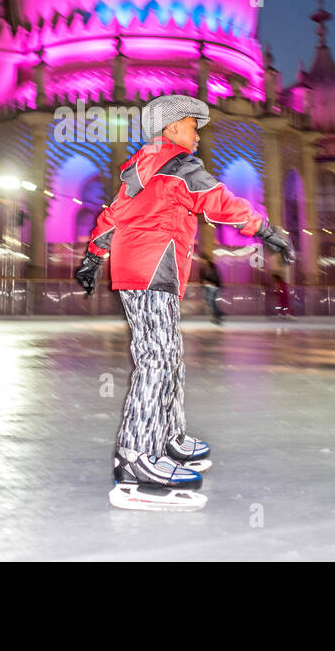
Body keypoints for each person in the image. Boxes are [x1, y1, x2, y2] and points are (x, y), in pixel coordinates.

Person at [76, 94, 294, 511]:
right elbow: (220, 202)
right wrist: (265, 229)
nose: (198, 132)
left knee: (166, 355)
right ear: (172, 128)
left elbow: (111, 217)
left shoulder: (140, 168)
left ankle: (167, 437)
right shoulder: (179, 164)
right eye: (193, 124)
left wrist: (92, 258)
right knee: (156, 360)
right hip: (154, 269)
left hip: (137, 270)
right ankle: (136, 458)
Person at [198, 254, 224, 325]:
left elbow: (215, 276)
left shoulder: (212, 266)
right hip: (208, 286)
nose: (201, 261)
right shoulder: (203, 268)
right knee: (209, 302)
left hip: (213, 286)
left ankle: (218, 315)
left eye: (202, 260)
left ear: (205, 260)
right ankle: (217, 314)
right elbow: (202, 278)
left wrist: (210, 282)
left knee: (211, 302)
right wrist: (203, 282)